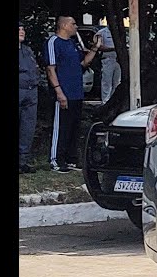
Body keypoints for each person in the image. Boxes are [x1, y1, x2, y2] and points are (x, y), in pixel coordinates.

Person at [44, 15, 100, 172]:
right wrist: (59, 91)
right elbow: (50, 68)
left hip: (77, 92)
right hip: (63, 91)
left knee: (73, 126)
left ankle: (71, 159)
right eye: (73, 24)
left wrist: (95, 48)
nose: (76, 27)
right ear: (63, 25)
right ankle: (56, 159)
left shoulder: (72, 44)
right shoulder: (54, 42)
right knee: (61, 126)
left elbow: (83, 63)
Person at [19, 20, 41, 173]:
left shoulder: (27, 50)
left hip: (31, 90)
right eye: (18, 29)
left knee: (28, 126)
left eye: (23, 29)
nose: (22, 31)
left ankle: (22, 161)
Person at [95, 18, 121, 103]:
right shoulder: (102, 32)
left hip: (118, 60)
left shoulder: (119, 32)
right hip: (107, 59)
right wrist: (115, 48)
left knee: (117, 82)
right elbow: (99, 46)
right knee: (107, 81)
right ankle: (105, 101)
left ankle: (113, 101)